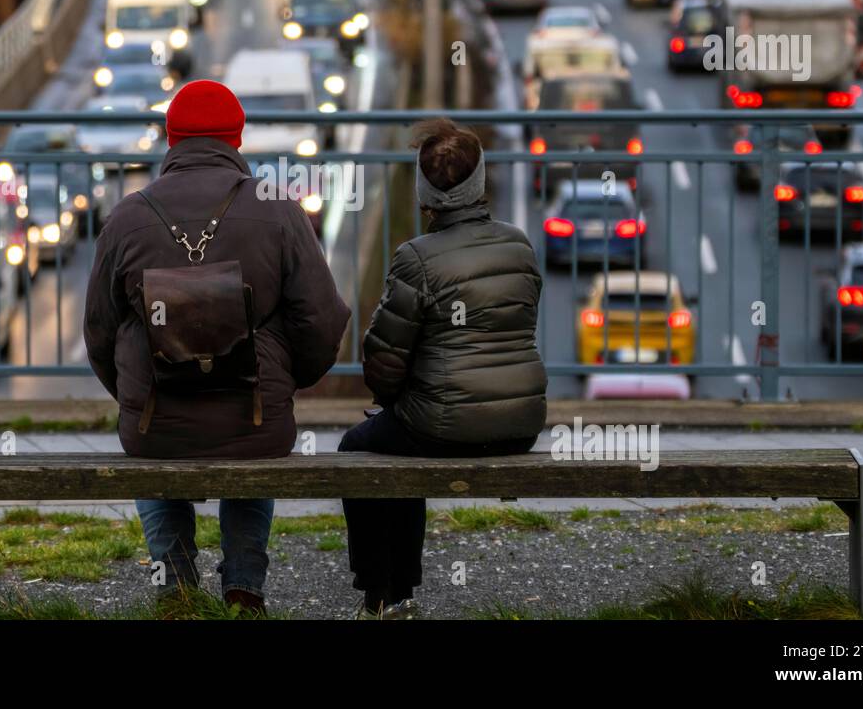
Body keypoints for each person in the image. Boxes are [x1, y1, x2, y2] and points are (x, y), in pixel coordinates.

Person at [84, 79, 350, 613]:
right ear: (237, 137)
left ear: (169, 138)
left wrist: (135, 396)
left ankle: (177, 586)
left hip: (155, 424)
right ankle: (244, 587)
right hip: (255, 420)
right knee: (251, 450)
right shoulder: (279, 212)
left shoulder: (128, 217)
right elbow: (320, 321)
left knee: (155, 454)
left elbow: (100, 333)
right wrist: (281, 383)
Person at [339, 118, 547, 619]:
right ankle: (397, 594)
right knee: (401, 433)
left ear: (425, 194)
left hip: (441, 427)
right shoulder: (518, 245)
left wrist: (395, 400)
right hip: (520, 424)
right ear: (480, 185)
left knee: (362, 449)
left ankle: (383, 595)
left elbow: (383, 363)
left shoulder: (417, 258)